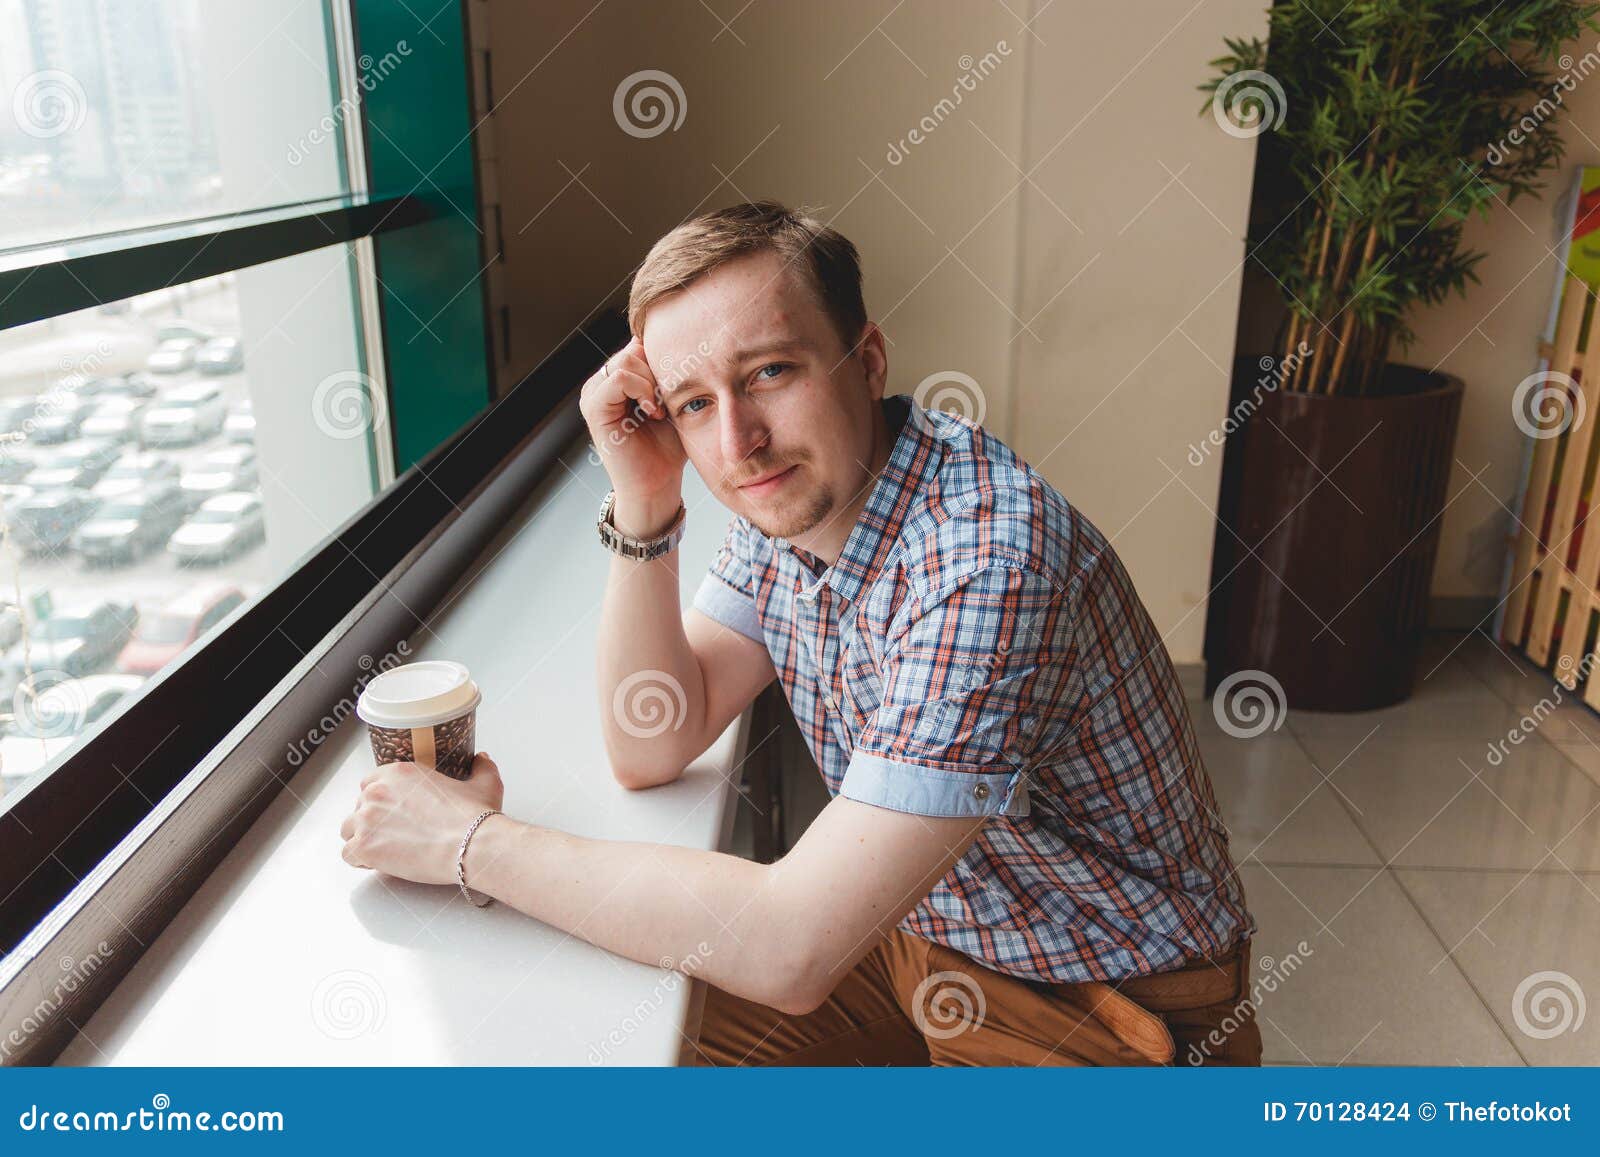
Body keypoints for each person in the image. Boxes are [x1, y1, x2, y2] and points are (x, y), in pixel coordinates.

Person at [339, 200, 1260, 1066]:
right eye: (693, 402)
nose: (738, 441)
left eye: (768, 373)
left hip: (1097, 1006)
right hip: (924, 934)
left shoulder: (988, 565)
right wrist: (646, 500)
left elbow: (789, 948)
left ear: (867, 362)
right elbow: (653, 733)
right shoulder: (794, 503)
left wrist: (472, 843)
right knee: (604, 1065)